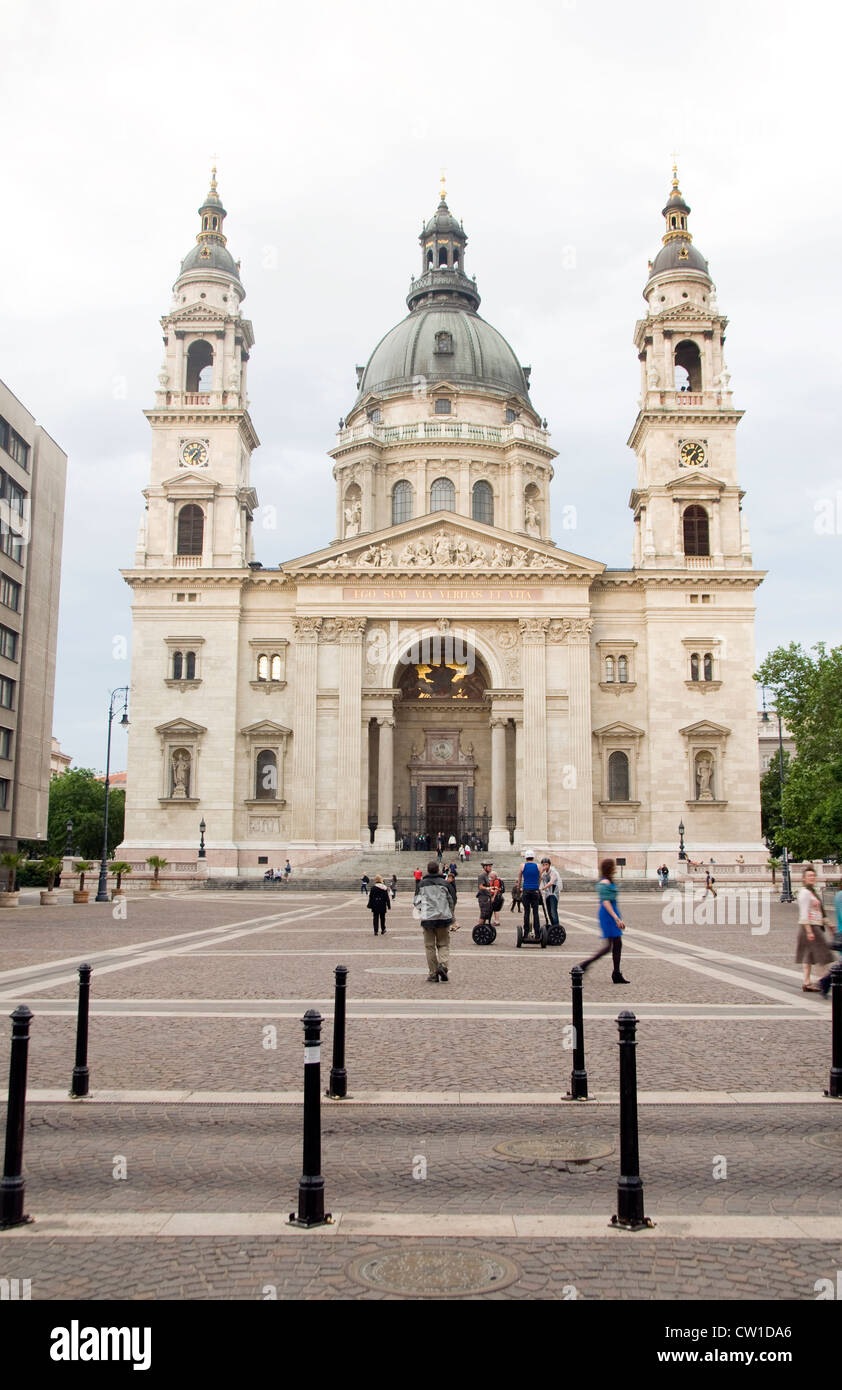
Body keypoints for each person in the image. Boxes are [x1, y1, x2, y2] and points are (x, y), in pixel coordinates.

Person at [578, 858, 629, 984]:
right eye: (613, 867)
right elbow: (606, 902)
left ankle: (616, 972)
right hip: (608, 915)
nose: (615, 868)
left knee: (616, 944)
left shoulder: (607, 881)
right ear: (609, 869)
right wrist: (616, 918)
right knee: (611, 945)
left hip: (611, 913)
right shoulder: (604, 883)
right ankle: (585, 965)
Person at [414, 859, 456, 982]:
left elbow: (416, 902)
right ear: (438, 870)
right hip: (443, 918)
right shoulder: (445, 884)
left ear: (427, 870)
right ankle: (443, 965)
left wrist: (424, 910)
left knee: (430, 947)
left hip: (428, 919)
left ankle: (433, 974)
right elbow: (451, 901)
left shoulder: (421, 884)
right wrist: (449, 912)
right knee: (443, 944)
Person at [796, 864, 833, 993]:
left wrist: (828, 923)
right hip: (810, 927)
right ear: (804, 878)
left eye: (813, 875)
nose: (812, 878)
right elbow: (804, 913)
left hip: (813, 925)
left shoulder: (812, 892)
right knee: (823, 955)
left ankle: (807, 982)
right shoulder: (805, 893)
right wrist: (809, 931)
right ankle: (823, 981)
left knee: (809, 956)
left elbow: (819, 911)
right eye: (809, 876)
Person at [517, 851, 543, 938]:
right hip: (535, 890)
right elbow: (540, 878)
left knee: (526, 912)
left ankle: (525, 933)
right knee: (535, 912)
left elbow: (519, 878)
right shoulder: (538, 866)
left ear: (526, 857)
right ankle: (537, 934)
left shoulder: (522, 866)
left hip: (526, 890)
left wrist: (519, 888)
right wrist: (537, 887)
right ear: (533, 857)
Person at [540, 857, 561, 927]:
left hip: (553, 894)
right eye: (543, 865)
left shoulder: (553, 872)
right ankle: (553, 927)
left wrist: (542, 888)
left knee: (553, 911)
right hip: (547, 894)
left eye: (546, 864)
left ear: (549, 865)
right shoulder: (544, 873)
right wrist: (540, 872)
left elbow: (551, 882)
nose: (545, 866)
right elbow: (539, 880)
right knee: (549, 912)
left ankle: (556, 926)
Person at [476, 860, 494, 924]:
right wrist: (488, 888)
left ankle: (482, 929)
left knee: (486, 914)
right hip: (483, 897)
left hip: (486, 897)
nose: (490, 868)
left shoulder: (486, 875)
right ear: (484, 867)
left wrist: (492, 888)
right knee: (483, 915)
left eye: (491, 866)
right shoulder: (482, 875)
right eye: (489, 866)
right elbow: (480, 886)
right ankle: (479, 929)